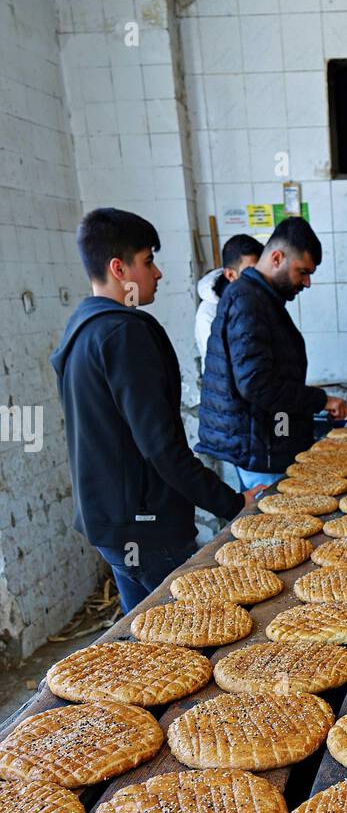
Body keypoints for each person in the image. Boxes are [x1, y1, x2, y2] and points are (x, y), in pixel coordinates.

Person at [52, 208, 264, 613]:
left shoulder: (84, 327)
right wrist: (234, 504)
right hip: (147, 528)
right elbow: (162, 448)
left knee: (145, 634)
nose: (159, 273)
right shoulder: (124, 334)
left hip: (111, 524)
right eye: (148, 261)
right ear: (119, 268)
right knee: (194, 632)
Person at [198, 216, 347, 492]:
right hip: (261, 451)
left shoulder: (260, 298)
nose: (307, 283)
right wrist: (321, 400)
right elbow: (257, 385)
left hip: (267, 444)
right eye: (303, 272)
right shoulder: (247, 300)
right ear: (278, 258)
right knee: (274, 528)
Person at [195, 234, 263, 361]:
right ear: (230, 275)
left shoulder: (258, 297)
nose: (258, 278)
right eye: (250, 272)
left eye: (259, 272)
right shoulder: (209, 312)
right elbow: (219, 365)